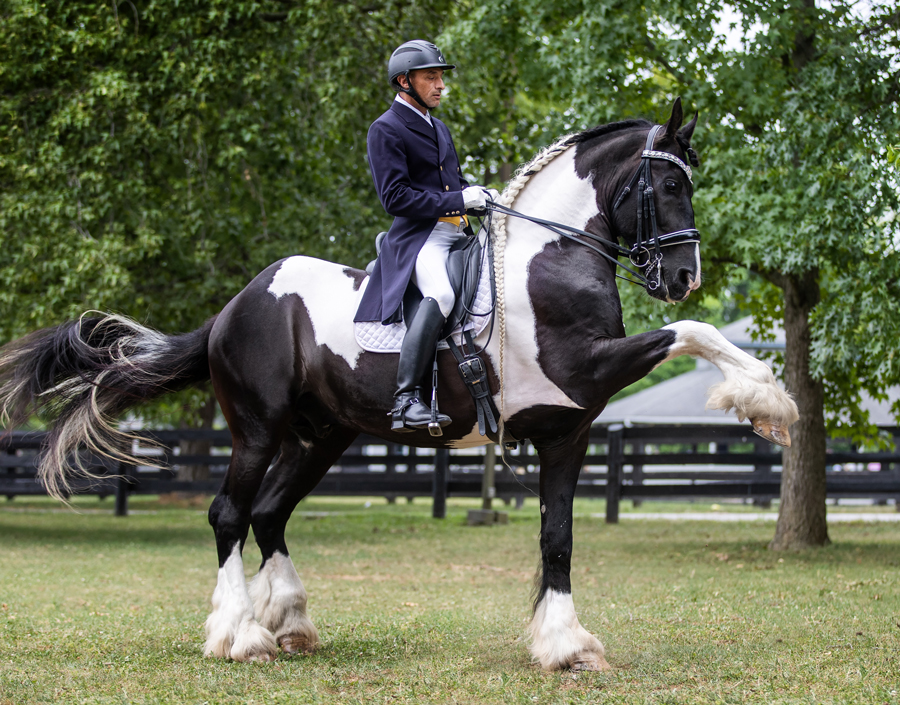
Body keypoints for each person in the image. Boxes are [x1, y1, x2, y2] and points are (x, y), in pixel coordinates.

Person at [354, 39, 495, 433]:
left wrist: (479, 195)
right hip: (422, 238)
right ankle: (406, 400)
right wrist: (459, 199)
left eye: (440, 77)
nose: (440, 85)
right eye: (431, 77)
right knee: (443, 295)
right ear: (404, 81)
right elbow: (395, 197)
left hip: (460, 233)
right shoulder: (385, 128)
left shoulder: (439, 127)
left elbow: (452, 183)